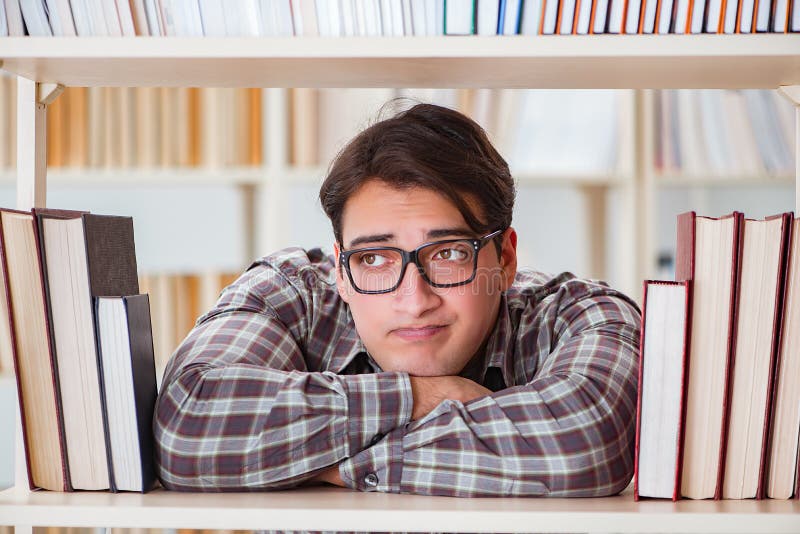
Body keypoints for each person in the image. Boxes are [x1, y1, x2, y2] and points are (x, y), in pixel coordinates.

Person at [153, 102, 641, 497]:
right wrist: (420, 397)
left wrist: (332, 465)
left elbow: (590, 441)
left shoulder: (578, 315)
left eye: (448, 252)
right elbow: (187, 425)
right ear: (340, 268)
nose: (414, 299)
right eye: (374, 259)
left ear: (506, 258)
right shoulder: (290, 295)